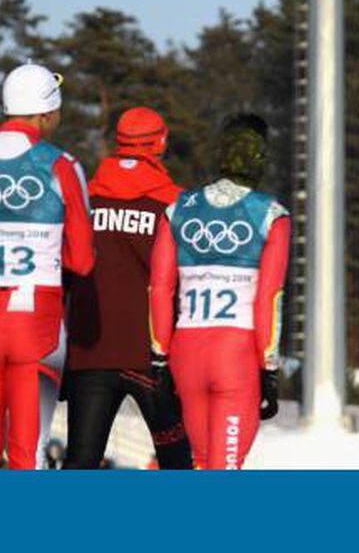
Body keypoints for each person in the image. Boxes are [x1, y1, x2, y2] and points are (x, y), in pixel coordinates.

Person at [0, 62, 94, 470]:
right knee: (29, 456)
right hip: (36, 321)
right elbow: (83, 261)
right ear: (47, 110)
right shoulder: (62, 164)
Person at [149, 114, 289, 470]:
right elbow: (269, 299)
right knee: (226, 468)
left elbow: (160, 288)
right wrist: (269, 368)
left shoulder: (177, 209)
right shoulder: (272, 214)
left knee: (200, 463)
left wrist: (160, 358)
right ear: (259, 160)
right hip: (235, 355)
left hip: (186, 352)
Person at [63, 107, 192, 470]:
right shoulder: (176, 204)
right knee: (178, 465)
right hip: (154, 358)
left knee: (79, 463)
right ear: (160, 143)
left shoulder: (83, 197)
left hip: (91, 351)